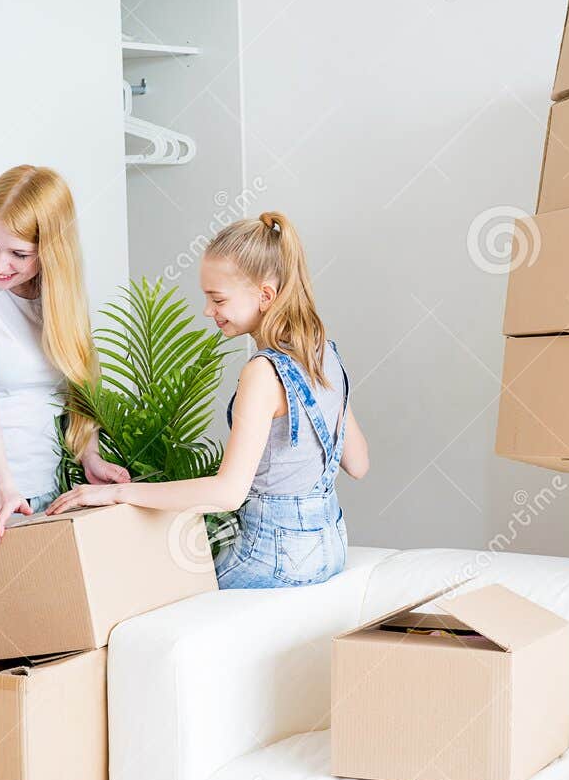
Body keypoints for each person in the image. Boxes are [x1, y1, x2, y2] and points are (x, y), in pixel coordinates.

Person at [45, 211, 370, 590]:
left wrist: (116, 491)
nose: (208, 311)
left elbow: (227, 493)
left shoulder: (262, 373)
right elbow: (358, 463)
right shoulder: (323, 352)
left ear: (265, 296)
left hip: (273, 557)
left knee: (141, 591)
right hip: (330, 545)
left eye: (218, 299)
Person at [0, 165, 128, 543]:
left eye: (19, 253)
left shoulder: (60, 297)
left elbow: (74, 387)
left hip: (47, 495)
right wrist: (1, 485)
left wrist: (90, 456)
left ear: (51, 251)